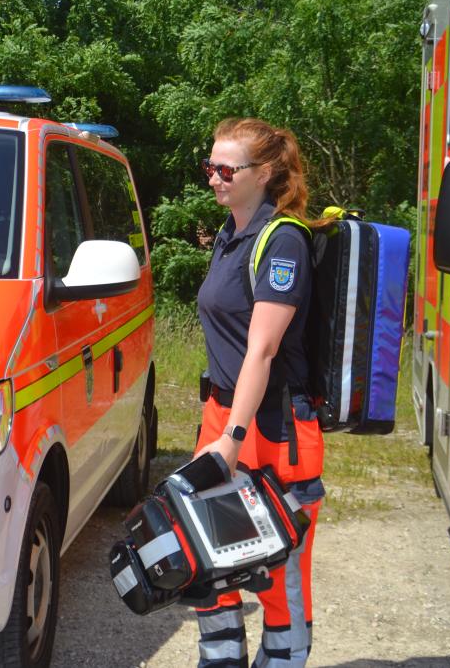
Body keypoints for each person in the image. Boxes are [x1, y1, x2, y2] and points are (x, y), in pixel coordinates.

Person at [193, 117, 330, 668]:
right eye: (210, 167)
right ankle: (220, 661)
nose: (214, 179)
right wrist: (221, 430)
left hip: (270, 430)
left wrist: (232, 437)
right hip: (225, 416)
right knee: (211, 560)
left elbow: (263, 350)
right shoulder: (230, 235)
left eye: (226, 169)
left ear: (265, 172)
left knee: (279, 575)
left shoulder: (284, 241)